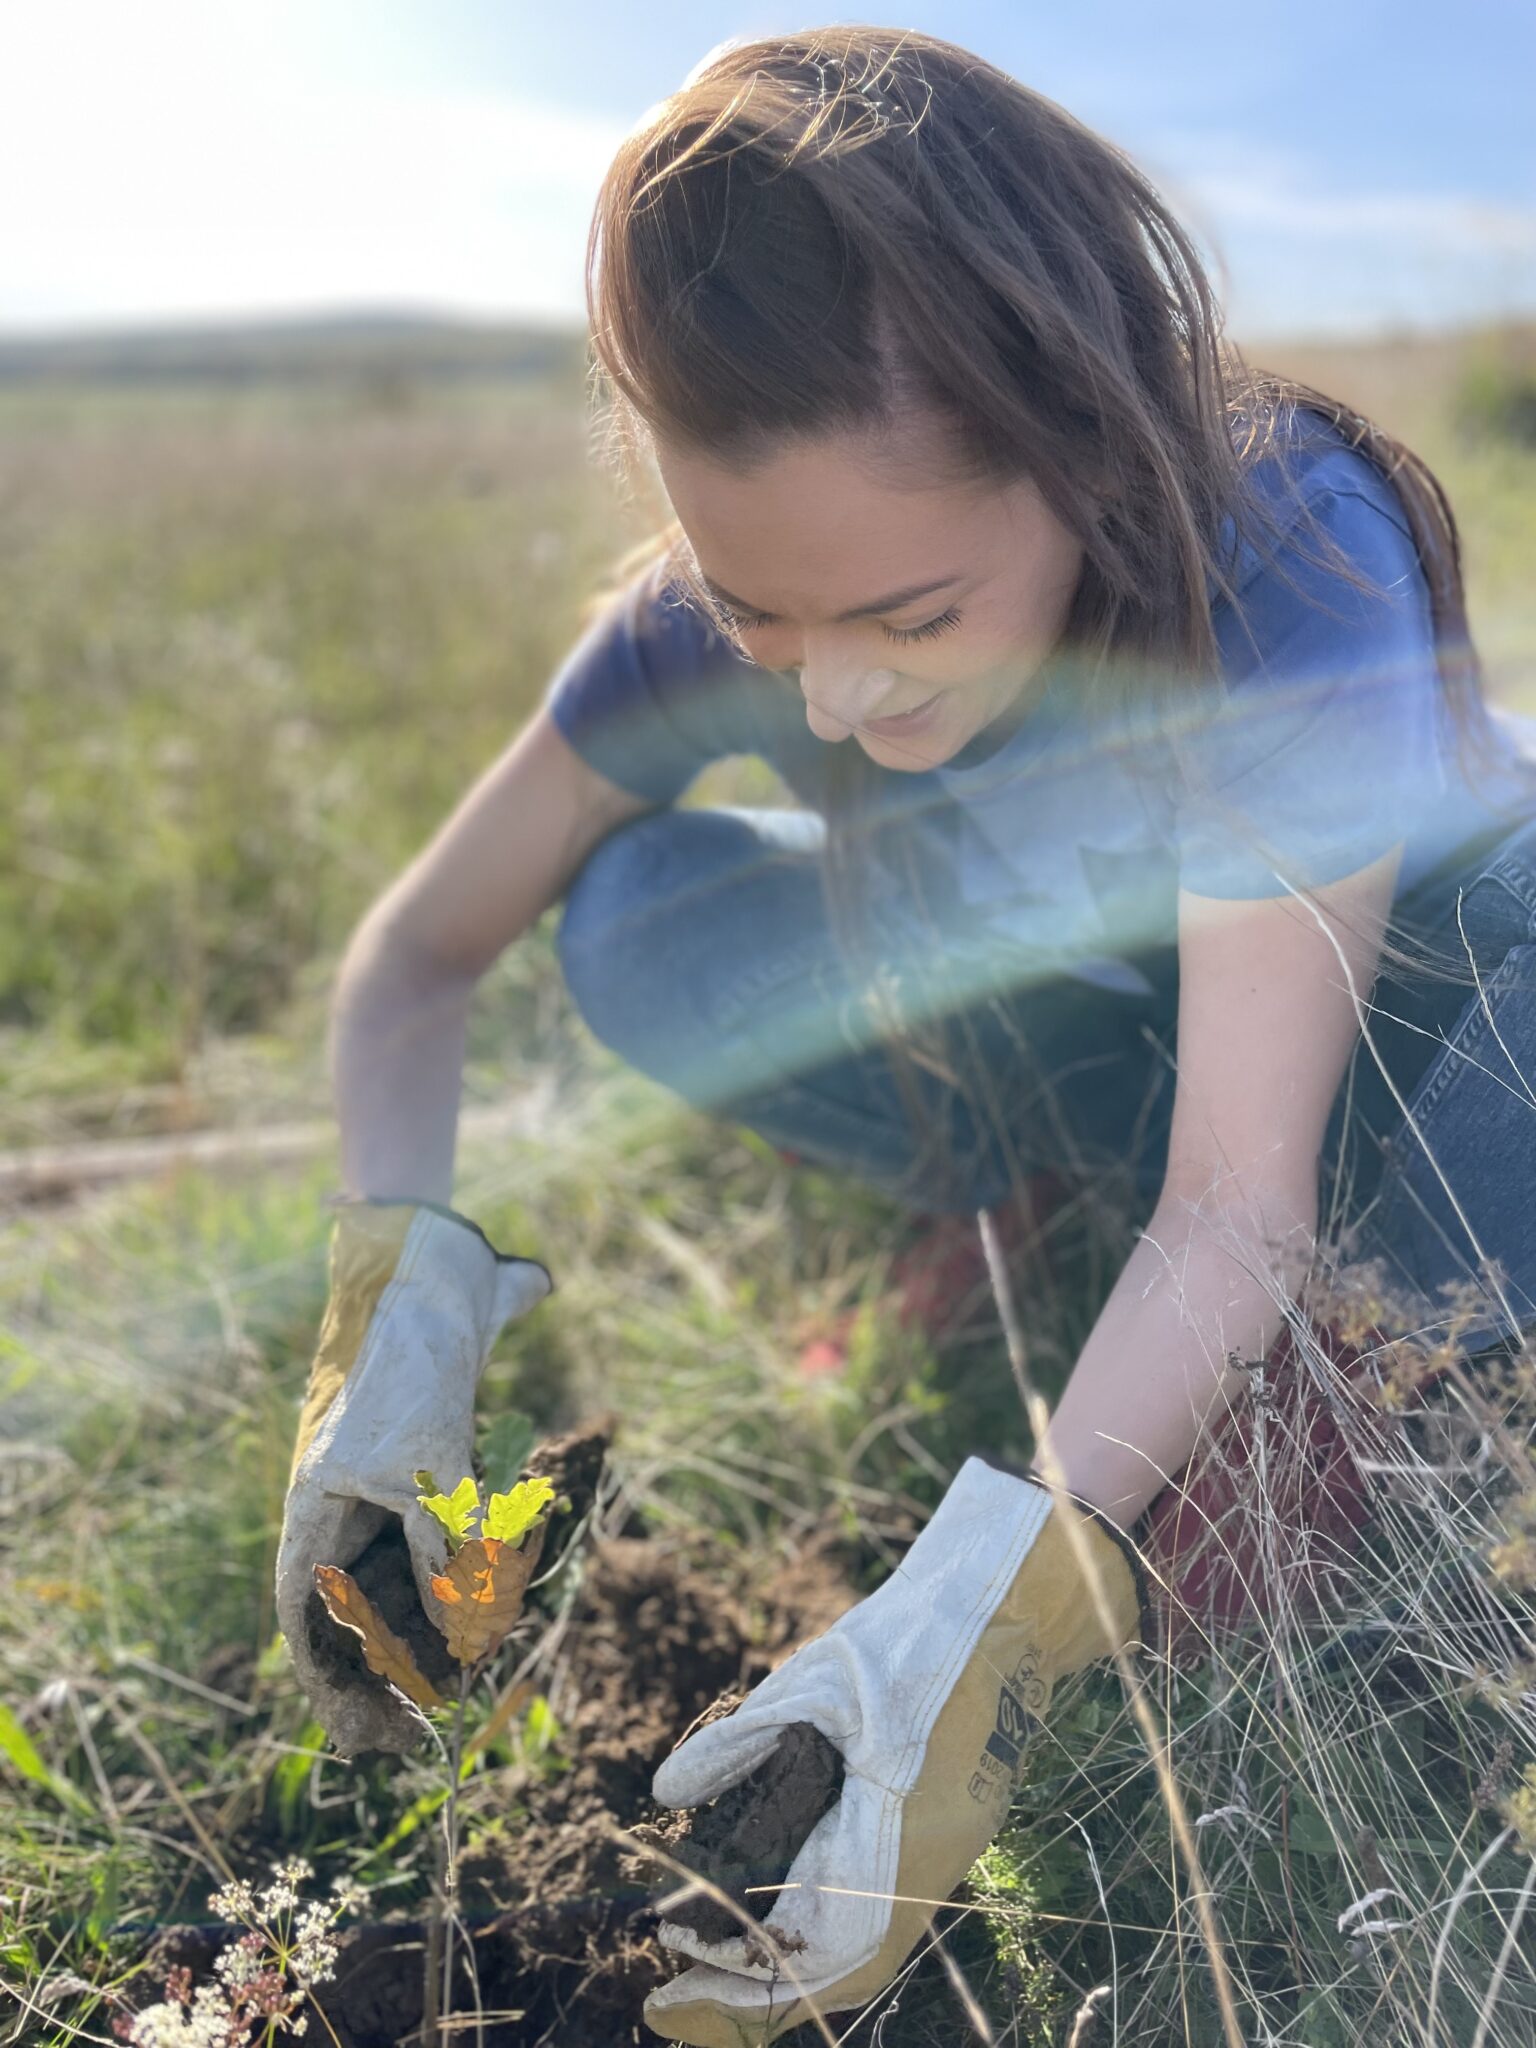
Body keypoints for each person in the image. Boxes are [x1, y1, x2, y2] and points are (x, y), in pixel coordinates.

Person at [276, 28, 1536, 2044]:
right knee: (646, 911)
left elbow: (1239, 1202)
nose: (840, 694)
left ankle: (1386, 1361)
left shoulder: (1281, 546)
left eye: (919, 618)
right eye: (766, 616)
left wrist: (973, 1622)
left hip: (1434, 1024)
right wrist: (390, 1335)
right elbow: (417, 959)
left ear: (1084, 443)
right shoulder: (737, 614)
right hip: (1142, 1048)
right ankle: (1063, 1195)